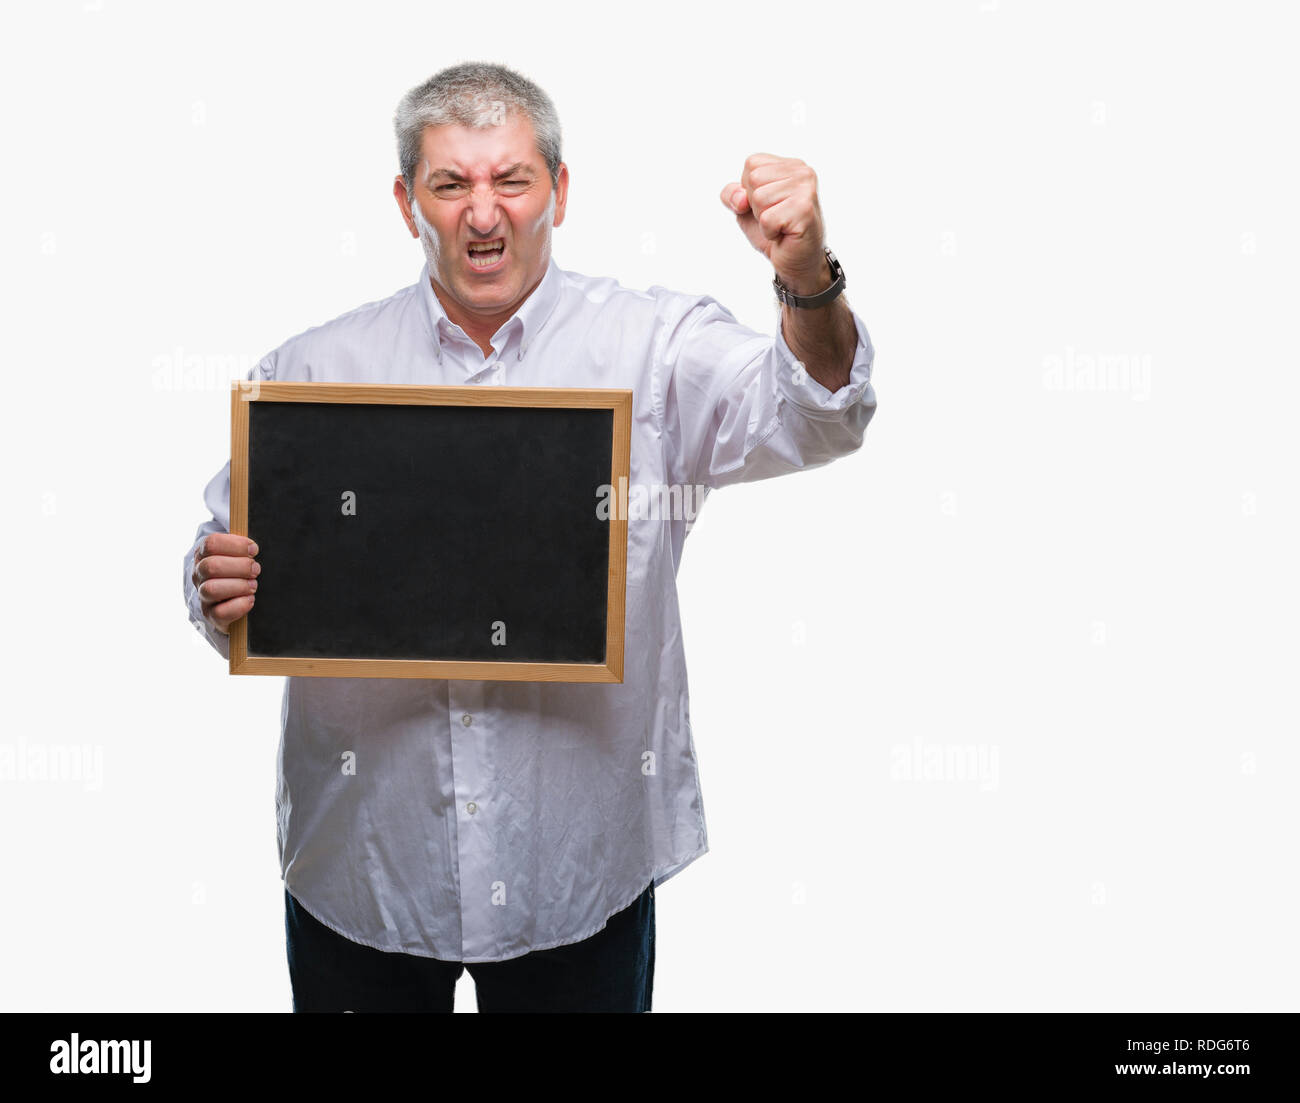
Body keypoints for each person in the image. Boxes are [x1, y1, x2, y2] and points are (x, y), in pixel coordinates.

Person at [183, 61, 877, 1013]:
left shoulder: (657, 349)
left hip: (578, 873)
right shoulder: (311, 369)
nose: (483, 212)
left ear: (559, 189)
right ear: (404, 202)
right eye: (450, 183)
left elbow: (820, 412)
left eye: (511, 179)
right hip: (368, 869)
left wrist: (805, 278)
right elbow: (224, 569)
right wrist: (215, 587)